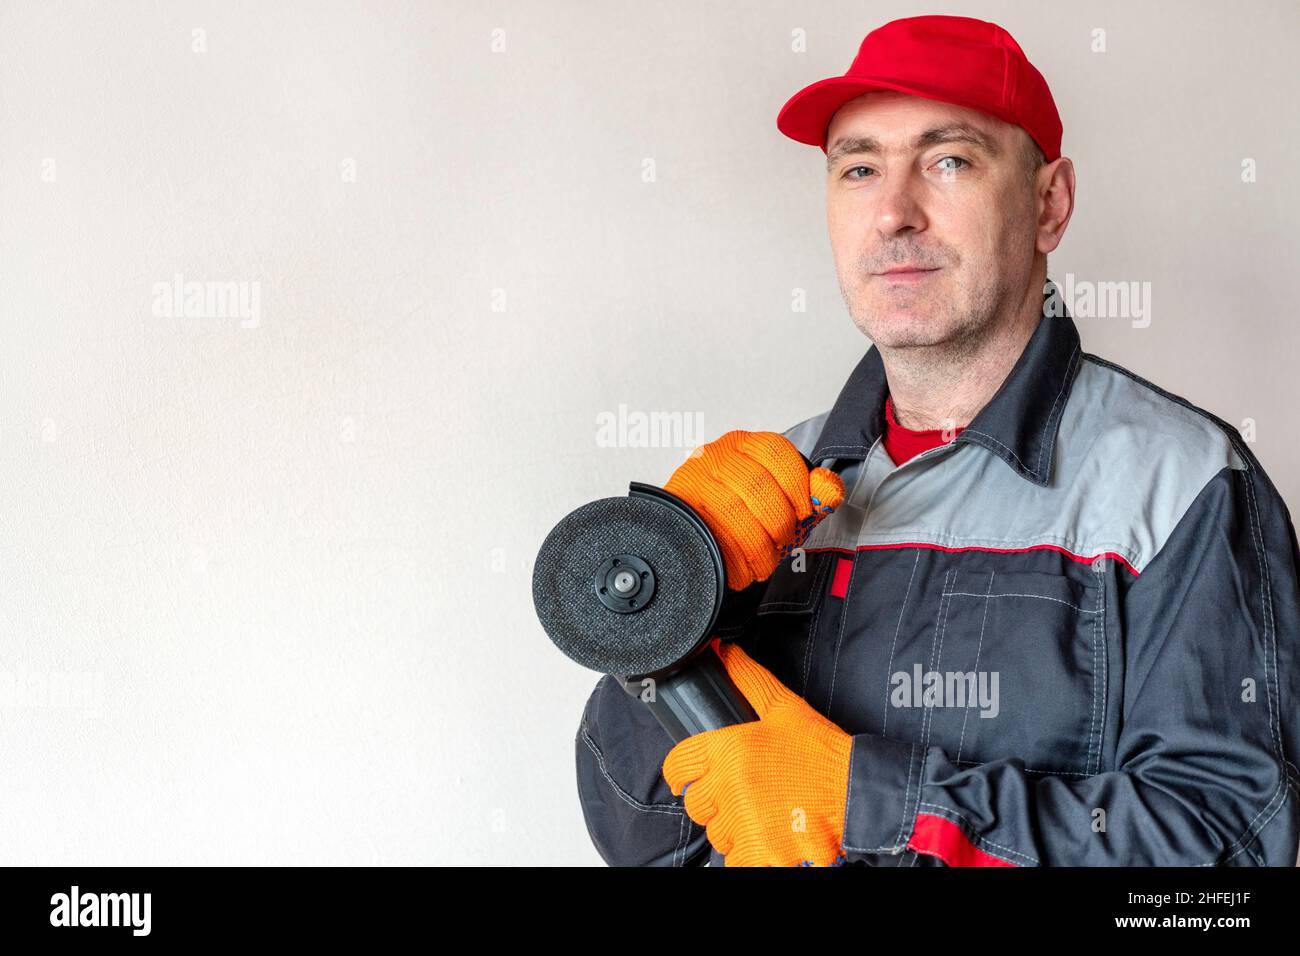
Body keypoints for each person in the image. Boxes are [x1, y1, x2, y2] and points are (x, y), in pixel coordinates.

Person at [574, 14, 1300, 866]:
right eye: (859, 167)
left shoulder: (1182, 486)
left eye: (948, 160)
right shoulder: (766, 489)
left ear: (1049, 202)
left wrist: (868, 801)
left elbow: (1222, 871)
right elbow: (643, 834)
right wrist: (678, 585)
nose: (893, 213)